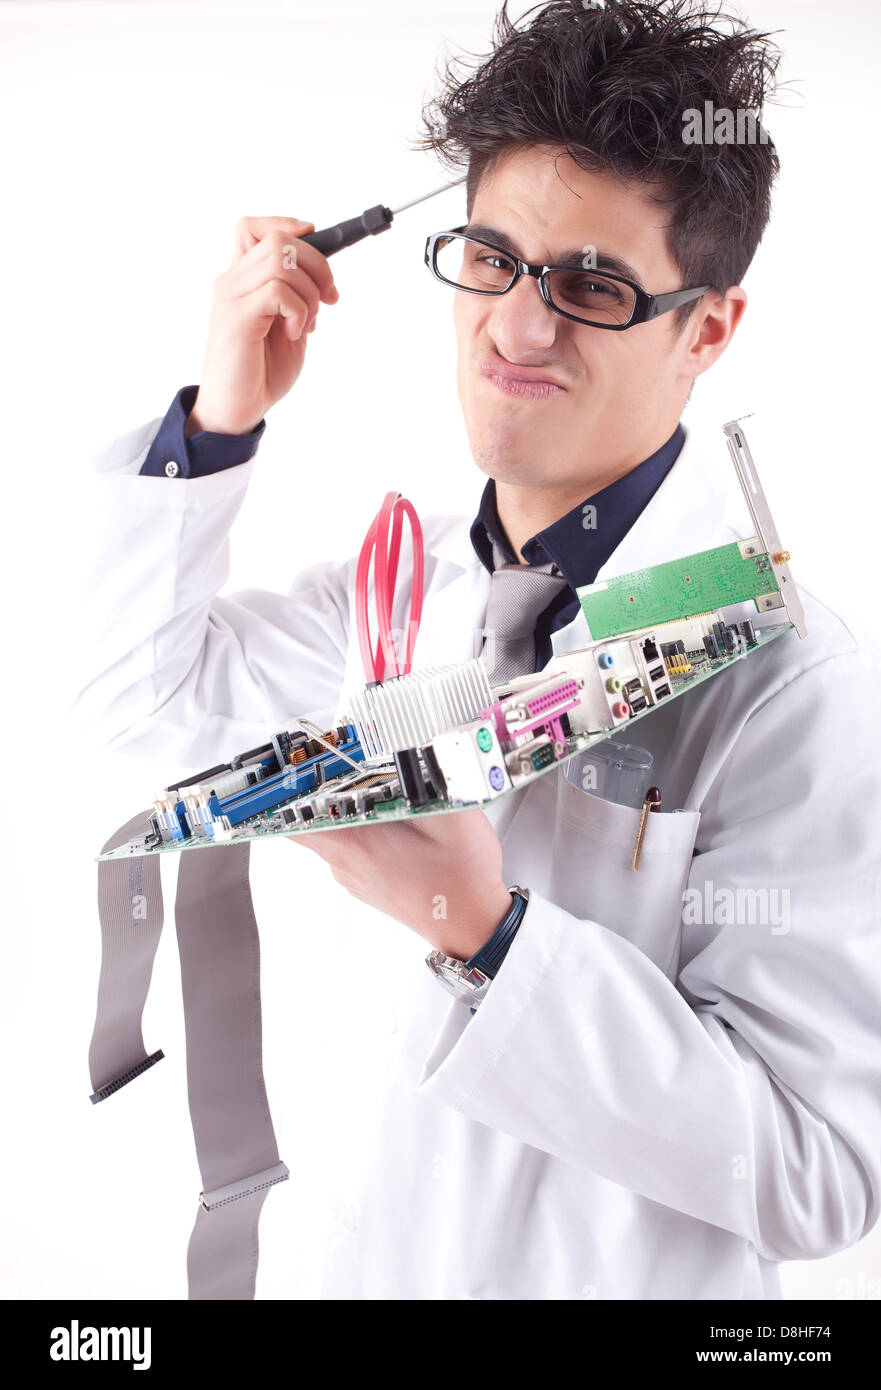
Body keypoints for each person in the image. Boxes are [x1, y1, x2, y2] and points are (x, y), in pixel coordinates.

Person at [74, 0, 881, 1299]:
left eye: (592, 285)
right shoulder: (397, 583)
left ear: (707, 331)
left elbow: (816, 1170)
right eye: (491, 258)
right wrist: (220, 419)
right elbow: (133, 701)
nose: (515, 328)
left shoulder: (785, 681)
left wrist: (482, 931)